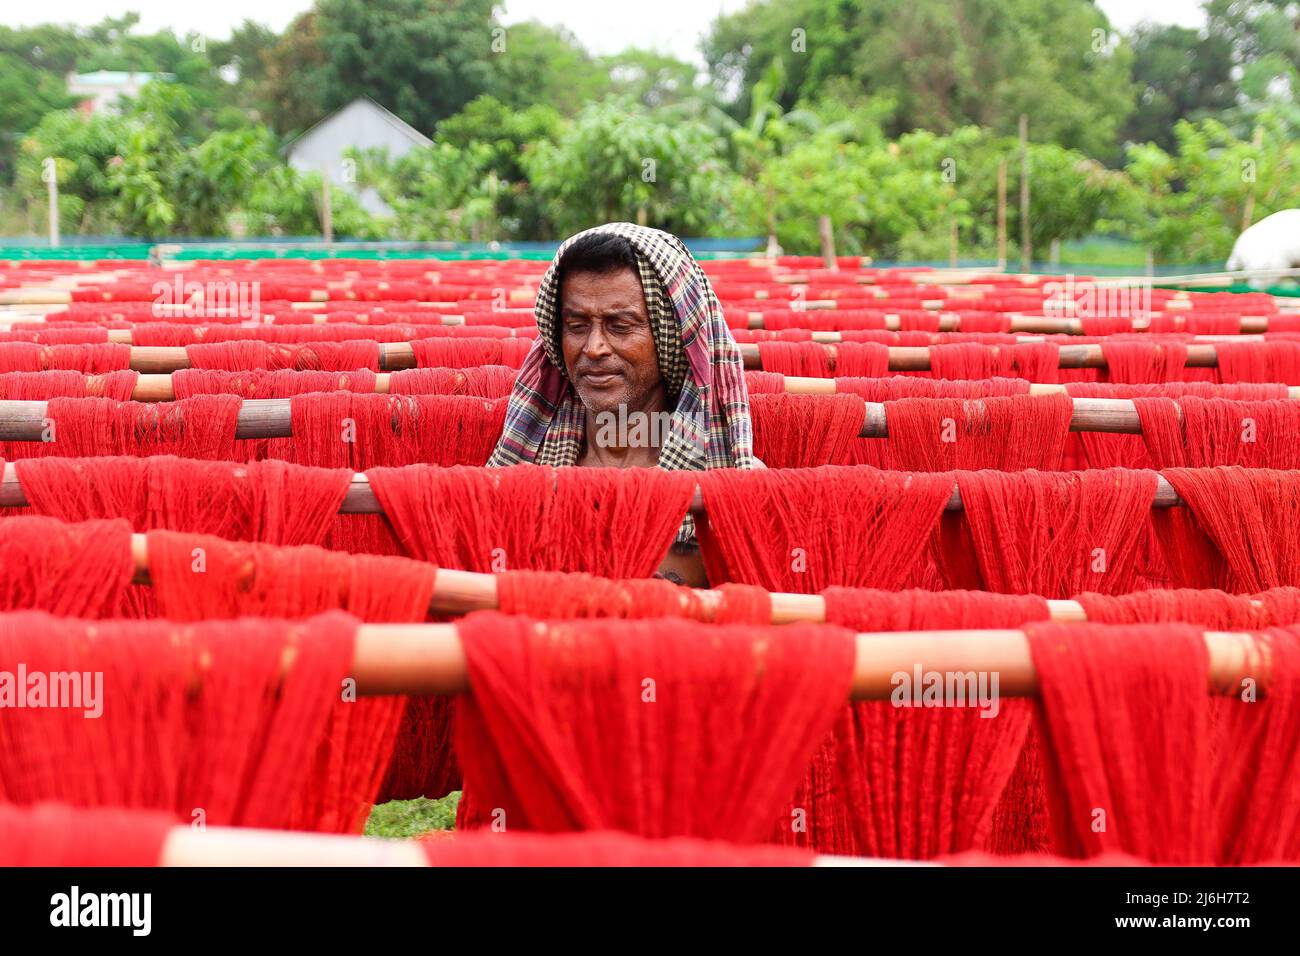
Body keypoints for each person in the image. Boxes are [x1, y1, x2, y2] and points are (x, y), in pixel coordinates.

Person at [488, 222, 759, 586]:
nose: (594, 348)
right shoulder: (516, 472)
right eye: (577, 325)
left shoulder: (733, 490)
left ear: (670, 337)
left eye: (620, 325)